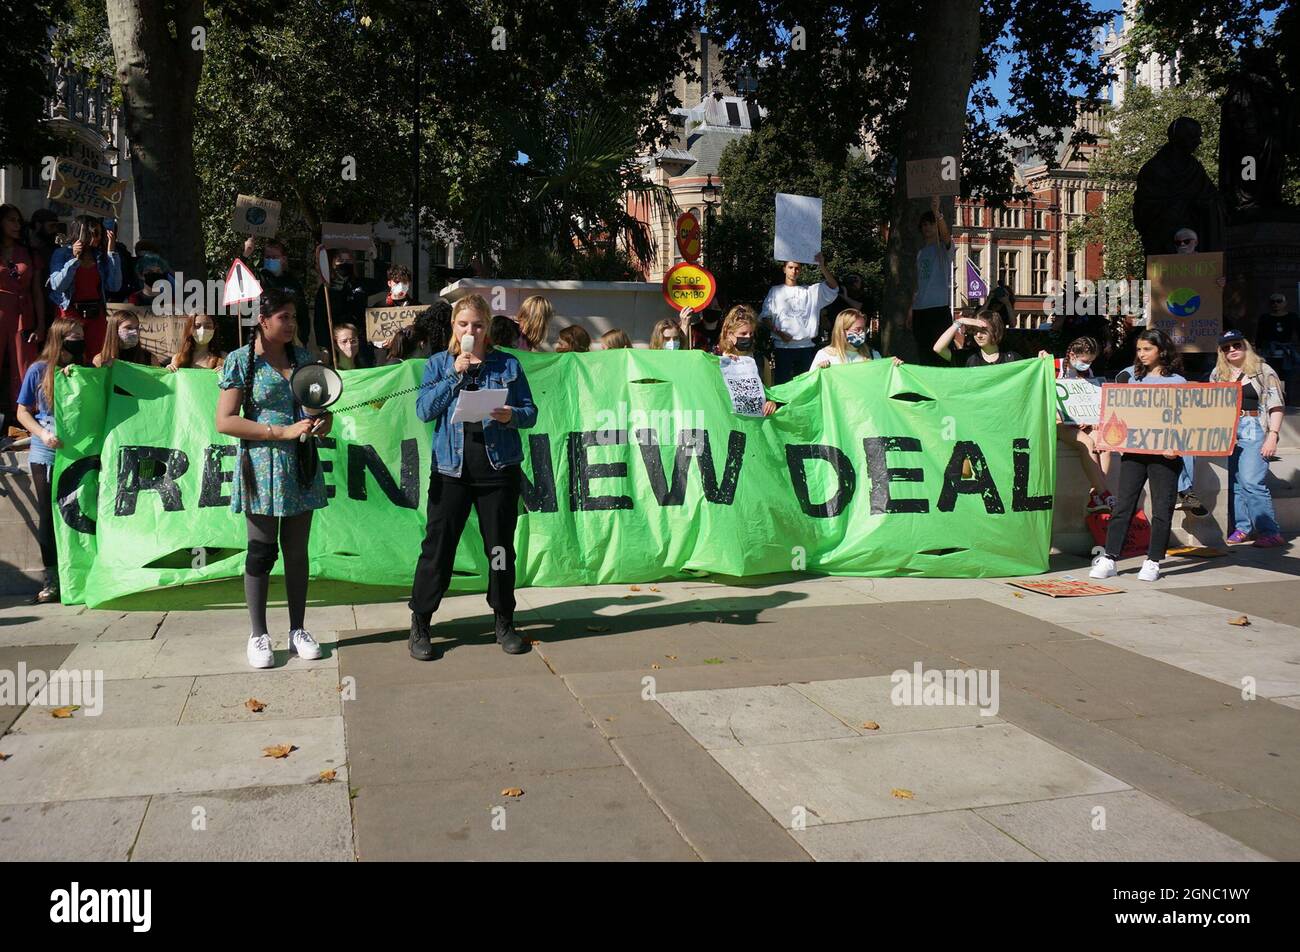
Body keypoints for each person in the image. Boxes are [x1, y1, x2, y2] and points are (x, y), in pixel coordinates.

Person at [408, 294, 538, 661]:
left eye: (478, 325)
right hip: (451, 472)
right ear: (454, 327)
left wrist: (511, 415)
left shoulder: (508, 364)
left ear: (487, 328)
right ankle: (421, 620)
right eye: (464, 324)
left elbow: (531, 413)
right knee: (438, 548)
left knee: (499, 550)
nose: (471, 331)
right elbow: (424, 410)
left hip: (498, 471)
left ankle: (503, 618)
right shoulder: (438, 364)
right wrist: (454, 375)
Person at [216, 288, 329, 669]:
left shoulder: (304, 358)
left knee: (297, 552)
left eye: (294, 317)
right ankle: (258, 634)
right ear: (262, 321)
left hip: (301, 464)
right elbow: (225, 420)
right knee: (262, 550)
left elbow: (318, 407)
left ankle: (298, 630)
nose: (291, 324)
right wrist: (277, 432)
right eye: (284, 317)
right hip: (261, 466)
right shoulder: (241, 361)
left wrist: (323, 421)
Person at [1090, 329, 1187, 582]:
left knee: (1162, 508)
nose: (1142, 354)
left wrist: (1175, 447)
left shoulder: (1177, 382)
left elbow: (1184, 421)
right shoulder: (1130, 378)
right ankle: (1110, 557)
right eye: (1139, 349)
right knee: (1124, 505)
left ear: (1161, 351)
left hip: (1165, 455)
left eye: (1147, 349)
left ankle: (1153, 561)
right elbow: (1118, 410)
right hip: (1134, 451)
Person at [14, 319, 82, 603]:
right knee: (48, 514)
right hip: (47, 453)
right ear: (59, 338)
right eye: (74, 336)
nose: (79, 341)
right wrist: (41, 433)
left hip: (77, 451)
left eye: (81, 336)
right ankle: (51, 577)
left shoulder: (81, 368)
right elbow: (22, 411)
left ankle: (75, 572)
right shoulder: (38, 369)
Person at [1210, 330, 1286, 546]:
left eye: (1236, 345)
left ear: (1245, 346)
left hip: (1255, 427)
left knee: (1252, 481)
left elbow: (1276, 405)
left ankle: (1270, 531)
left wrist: (1272, 435)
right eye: (1226, 347)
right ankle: (1243, 528)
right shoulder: (1217, 373)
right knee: (1236, 482)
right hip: (1230, 430)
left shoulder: (1263, 370)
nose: (1232, 350)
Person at [1055, 336, 1116, 513]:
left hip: (1082, 423)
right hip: (1058, 422)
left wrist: (1093, 420)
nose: (1088, 365)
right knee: (1087, 443)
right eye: (1084, 361)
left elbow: (1090, 400)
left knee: (1104, 442)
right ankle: (1104, 493)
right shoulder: (1053, 367)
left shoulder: (1087, 373)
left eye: (1091, 361)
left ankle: (1096, 493)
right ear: (1072, 354)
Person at [46, 215, 121, 357]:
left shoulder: (100, 256)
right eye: (94, 234)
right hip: (70, 312)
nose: (98, 238)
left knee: (96, 355)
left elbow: (114, 286)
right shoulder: (62, 253)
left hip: (95, 313)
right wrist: (74, 259)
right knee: (69, 354)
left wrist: (111, 253)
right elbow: (57, 285)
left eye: (100, 233)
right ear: (83, 233)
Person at [760, 252, 840, 383]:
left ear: (801, 270)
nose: (794, 271)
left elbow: (834, 288)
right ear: (784, 269)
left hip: (806, 348)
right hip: (783, 347)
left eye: (797, 268)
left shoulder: (811, 292)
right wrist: (779, 332)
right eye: (790, 267)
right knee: (783, 384)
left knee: (805, 384)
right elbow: (765, 317)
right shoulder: (775, 291)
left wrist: (822, 266)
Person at [1, 204, 46, 410]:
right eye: (11, 220)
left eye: (19, 221)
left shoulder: (29, 252)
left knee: (25, 368)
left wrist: (41, 325)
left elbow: (37, 291)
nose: (17, 225)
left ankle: (24, 420)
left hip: (24, 315)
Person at [911, 195, 955, 366]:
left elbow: (946, 236)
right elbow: (918, 283)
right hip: (920, 310)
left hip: (938, 309)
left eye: (930, 224)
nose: (926, 227)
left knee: (942, 353)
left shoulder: (943, 250)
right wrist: (910, 307)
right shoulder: (920, 253)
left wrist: (938, 214)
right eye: (924, 225)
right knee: (923, 352)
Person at [719, 306, 779, 417]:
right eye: (743, 334)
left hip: (755, 422)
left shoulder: (760, 360)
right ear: (729, 334)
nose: (748, 337)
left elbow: (770, 391)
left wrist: (772, 402)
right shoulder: (717, 359)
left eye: (751, 333)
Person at [312, 249, 370, 357]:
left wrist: (375, 258)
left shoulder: (360, 284)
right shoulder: (326, 288)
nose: (344, 263)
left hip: (359, 341)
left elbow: (384, 284)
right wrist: (323, 346)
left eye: (348, 260)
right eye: (340, 260)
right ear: (333, 263)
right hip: (336, 343)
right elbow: (320, 319)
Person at [933, 309, 1021, 366]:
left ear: (995, 330)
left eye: (983, 331)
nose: (978, 335)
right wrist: (959, 322)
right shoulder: (967, 357)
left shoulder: (1012, 359)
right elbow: (938, 348)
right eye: (975, 331)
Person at [1255, 291, 1298, 406]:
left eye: (1279, 301)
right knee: (1270, 377)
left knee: (1289, 378)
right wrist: (1258, 350)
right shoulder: (1265, 318)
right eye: (1273, 302)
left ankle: (1288, 403)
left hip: (1287, 353)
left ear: (1285, 303)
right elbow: (1259, 335)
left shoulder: (1293, 317)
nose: (1276, 304)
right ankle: (1272, 402)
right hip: (1269, 352)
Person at [813, 309, 880, 367]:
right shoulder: (825, 355)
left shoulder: (873, 355)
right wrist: (818, 370)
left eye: (863, 329)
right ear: (842, 331)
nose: (862, 333)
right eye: (857, 329)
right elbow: (812, 380)